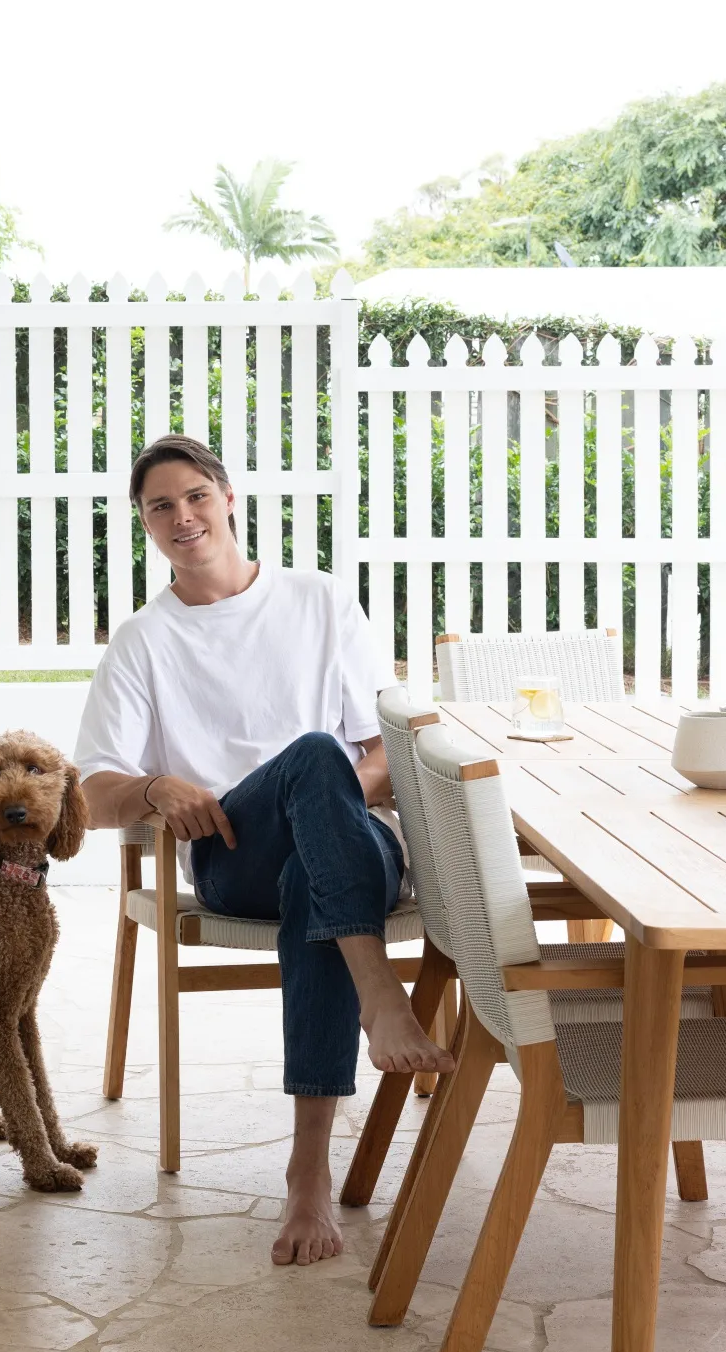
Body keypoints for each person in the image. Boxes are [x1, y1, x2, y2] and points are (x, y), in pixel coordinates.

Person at [75, 435, 450, 1267]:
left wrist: (331, 806)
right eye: (160, 507)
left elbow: (385, 754)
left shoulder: (317, 600)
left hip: (349, 847)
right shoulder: (144, 641)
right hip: (230, 852)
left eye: (195, 496)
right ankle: (378, 990)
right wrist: (153, 790)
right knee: (315, 756)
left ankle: (308, 1175)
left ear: (230, 497)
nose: (183, 517)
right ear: (144, 525)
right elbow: (91, 793)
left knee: (316, 845)